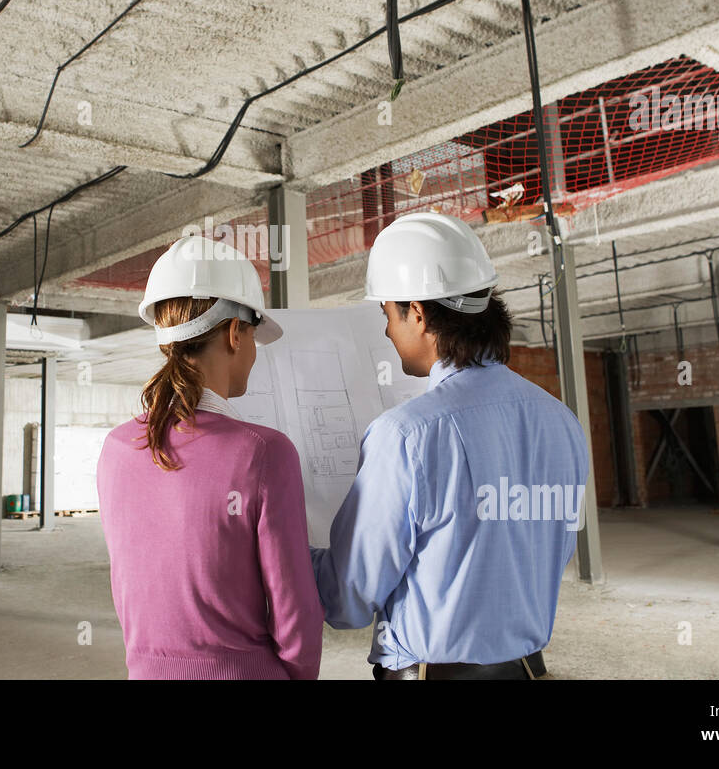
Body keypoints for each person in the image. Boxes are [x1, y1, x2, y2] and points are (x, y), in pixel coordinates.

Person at [311, 211, 589, 680]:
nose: (386, 331)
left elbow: (349, 597)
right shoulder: (562, 423)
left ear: (417, 313)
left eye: (387, 314)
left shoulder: (405, 436)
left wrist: (291, 552)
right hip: (527, 672)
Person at [97, 235, 323, 679]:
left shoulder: (117, 449)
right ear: (236, 333)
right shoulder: (264, 453)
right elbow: (294, 612)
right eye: (256, 337)